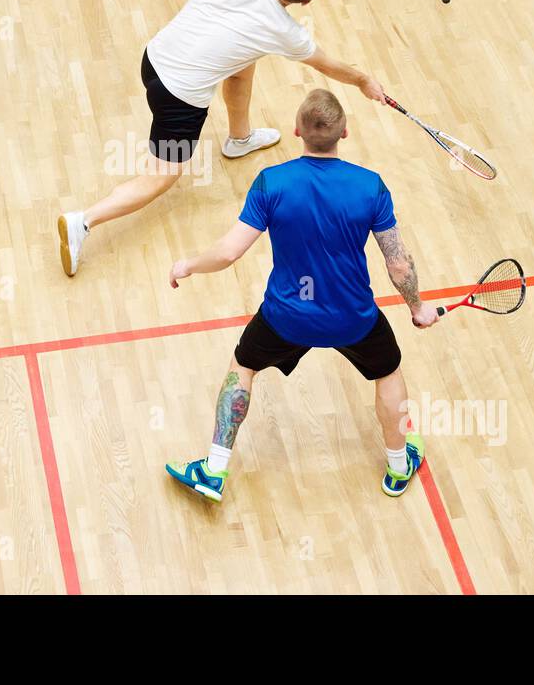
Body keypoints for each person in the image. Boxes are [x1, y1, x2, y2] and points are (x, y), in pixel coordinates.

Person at [56, 0, 387, 277]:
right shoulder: (287, 34)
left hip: (153, 59)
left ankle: (239, 138)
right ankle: (83, 221)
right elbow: (329, 66)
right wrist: (361, 80)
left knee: (245, 62)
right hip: (177, 100)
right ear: (306, 2)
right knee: (161, 177)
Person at [164, 88, 439, 502]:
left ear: (297, 131)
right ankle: (399, 468)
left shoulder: (272, 183)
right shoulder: (370, 187)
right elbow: (398, 264)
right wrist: (417, 307)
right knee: (388, 373)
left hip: (286, 317)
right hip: (354, 318)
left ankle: (214, 470)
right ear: (345, 133)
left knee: (243, 368)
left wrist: (188, 265)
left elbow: (228, 252)